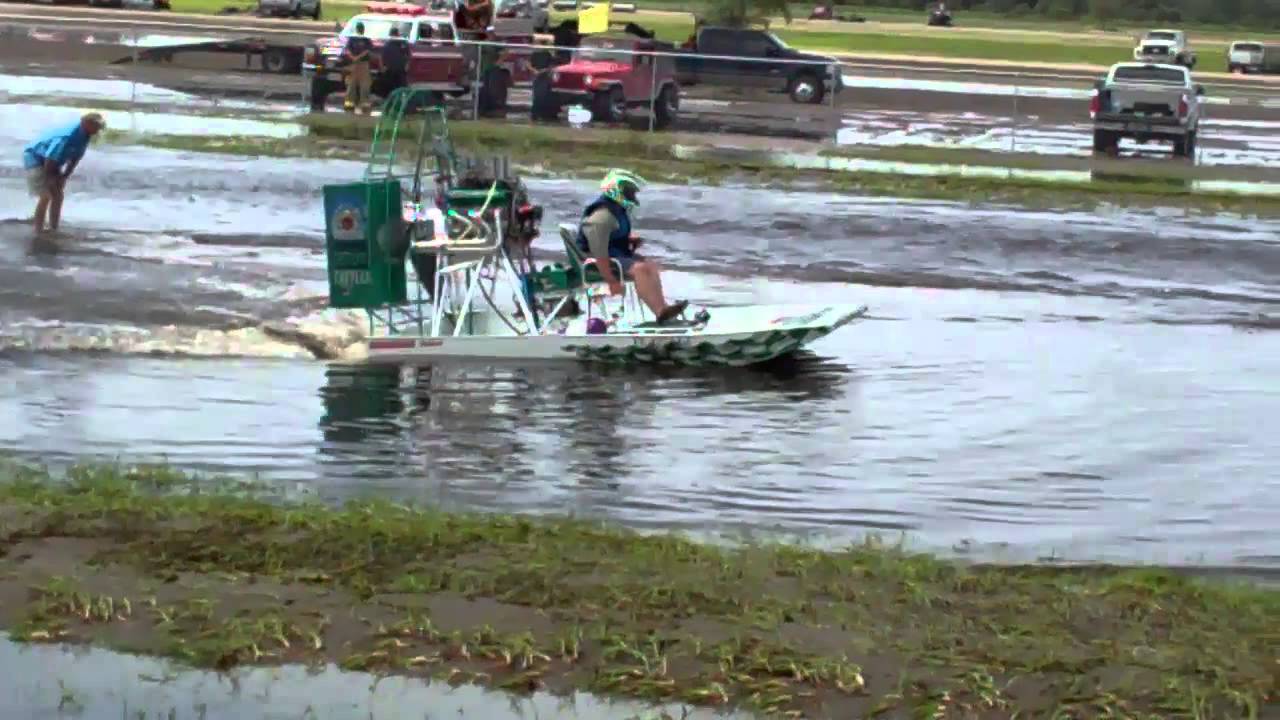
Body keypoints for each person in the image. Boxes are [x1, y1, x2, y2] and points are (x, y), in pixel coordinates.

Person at [576, 169, 688, 325]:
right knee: (640, 269)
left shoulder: (615, 210)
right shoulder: (601, 217)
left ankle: (663, 309)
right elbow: (599, 252)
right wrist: (612, 282)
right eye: (629, 192)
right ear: (616, 190)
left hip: (613, 255)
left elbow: (611, 238)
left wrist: (627, 240)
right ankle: (660, 312)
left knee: (650, 265)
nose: (632, 196)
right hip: (597, 262)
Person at [22, 112, 106, 235]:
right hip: (36, 156)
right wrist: (49, 179)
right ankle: (38, 231)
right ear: (86, 123)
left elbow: (75, 158)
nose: (98, 130)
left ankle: (53, 228)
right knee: (46, 195)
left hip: (53, 161)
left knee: (58, 195)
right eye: (97, 127)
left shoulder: (85, 135)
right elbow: (49, 157)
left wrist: (64, 176)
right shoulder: (67, 136)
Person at [342, 22, 373, 114]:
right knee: (353, 84)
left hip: (362, 64)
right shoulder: (353, 39)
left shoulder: (365, 39)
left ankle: (362, 103)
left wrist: (356, 57)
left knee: (362, 84)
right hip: (356, 64)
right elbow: (347, 50)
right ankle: (351, 103)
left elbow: (367, 51)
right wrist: (353, 57)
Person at [379, 25, 410, 99]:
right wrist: (382, 67)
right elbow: (381, 56)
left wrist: (407, 65)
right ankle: (390, 101)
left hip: (400, 69)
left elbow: (408, 55)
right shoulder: (387, 44)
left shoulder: (402, 43)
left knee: (402, 87)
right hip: (390, 70)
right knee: (389, 87)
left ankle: (401, 101)